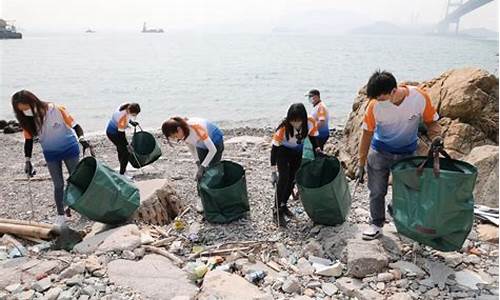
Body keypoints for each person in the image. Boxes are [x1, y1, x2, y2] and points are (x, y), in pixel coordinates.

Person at [355, 70, 442, 240]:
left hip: (408, 153)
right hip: (379, 152)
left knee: (408, 190)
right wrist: (360, 163)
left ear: (394, 91)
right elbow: (366, 134)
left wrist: (437, 137)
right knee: (376, 191)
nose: (379, 102)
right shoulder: (374, 106)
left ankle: (397, 213)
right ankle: (376, 224)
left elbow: (432, 122)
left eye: (382, 99)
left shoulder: (419, 97)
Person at [11, 90, 91, 225]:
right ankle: (61, 215)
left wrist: (82, 138)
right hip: (50, 153)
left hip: (70, 148)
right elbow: (28, 141)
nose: (25, 112)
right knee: (58, 184)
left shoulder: (57, 110)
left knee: (76, 180)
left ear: (33, 102)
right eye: (22, 110)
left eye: (26, 108)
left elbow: (76, 126)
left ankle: (84, 209)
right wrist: (28, 161)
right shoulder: (27, 120)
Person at [270, 103, 321, 227]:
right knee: (283, 178)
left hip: (297, 151)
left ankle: (283, 204)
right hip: (282, 151)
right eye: (293, 121)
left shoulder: (310, 122)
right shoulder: (282, 128)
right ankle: (276, 210)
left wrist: (317, 149)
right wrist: (273, 171)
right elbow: (274, 149)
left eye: (298, 121)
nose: (296, 124)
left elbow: (313, 137)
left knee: (292, 179)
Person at [161, 117, 224, 181]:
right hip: (200, 143)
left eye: (175, 136)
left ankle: (219, 183)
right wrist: (198, 162)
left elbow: (213, 150)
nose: (176, 139)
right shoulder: (182, 133)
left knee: (213, 168)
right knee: (203, 168)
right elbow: (191, 147)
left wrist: (202, 167)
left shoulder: (196, 127)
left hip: (215, 140)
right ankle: (204, 187)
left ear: (179, 129)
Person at [106, 103, 141, 176]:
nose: (135, 116)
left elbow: (128, 117)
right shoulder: (123, 118)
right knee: (126, 153)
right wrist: (127, 145)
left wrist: (131, 123)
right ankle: (122, 174)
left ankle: (122, 169)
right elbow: (121, 134)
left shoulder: (126, 106)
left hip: (113, 130)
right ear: (130, 111)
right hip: (113, 134)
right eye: (134, 115)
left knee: (121, 150)